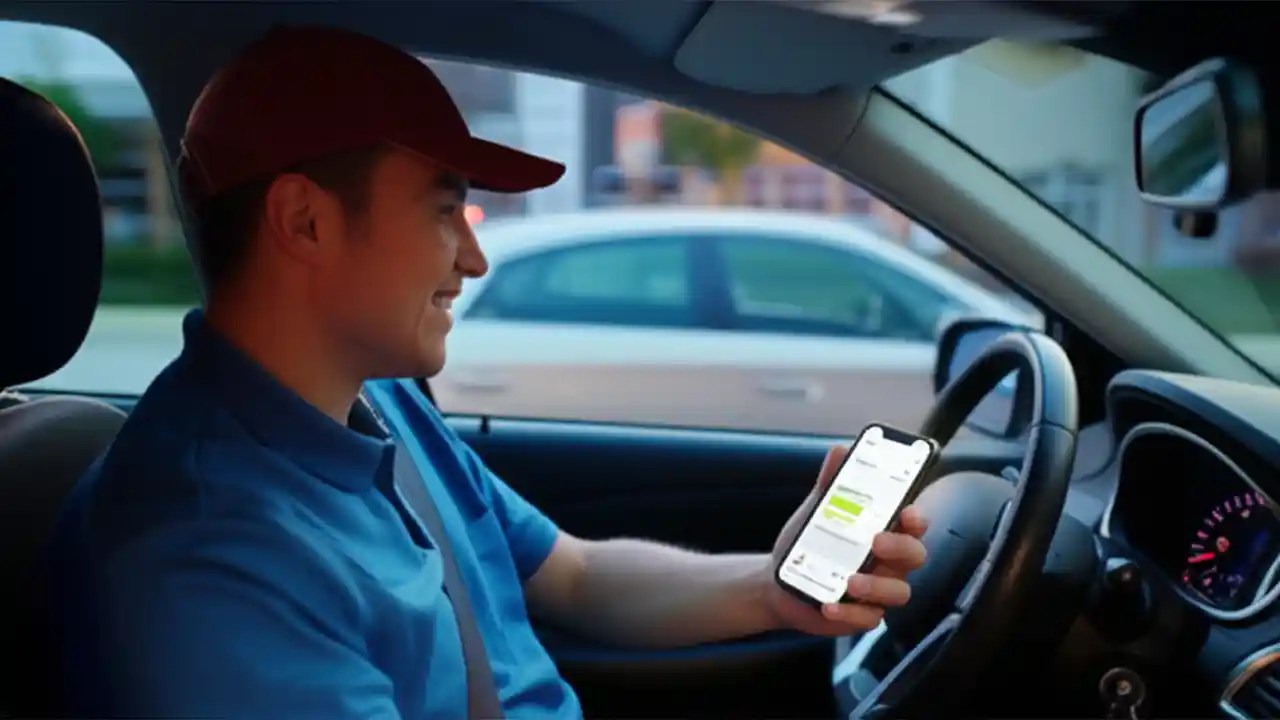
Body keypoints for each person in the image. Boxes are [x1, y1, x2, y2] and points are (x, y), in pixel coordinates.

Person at [47, 24, 929, 719]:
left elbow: (573, 575)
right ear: (305, 222)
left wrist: (772, 590)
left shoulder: (379, 401)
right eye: (444, 214)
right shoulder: (205, 564)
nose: (473, 259)